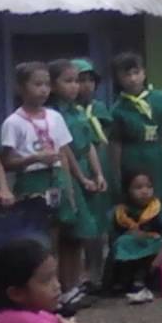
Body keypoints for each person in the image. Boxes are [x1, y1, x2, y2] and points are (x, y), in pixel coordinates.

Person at [1, 63, 95, 298]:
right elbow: (7, 161)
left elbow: (63, 151)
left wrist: (73, 185)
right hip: (32, 180)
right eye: (37, 84)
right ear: (21, 88)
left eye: (46, 85)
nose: (43, 90)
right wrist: (33, 158)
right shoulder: (13, 122)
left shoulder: (55, 117)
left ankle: (69, 289)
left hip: (58, 178)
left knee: (69, 234)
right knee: (43, 239)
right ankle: (43, 292)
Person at [45, 60, 105, 291]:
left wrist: (98, 173)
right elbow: (65, 149)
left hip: (86, 170)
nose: (75, 87)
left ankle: (74, 285)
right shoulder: (53, 114)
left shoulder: (78, 111)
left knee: (81, 234)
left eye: (77, 81)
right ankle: (59, 287)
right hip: (67, 172)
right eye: (68, 81)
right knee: (64, 235)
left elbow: (88, 144)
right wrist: (81, 178)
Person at [109, 52, 162, 208]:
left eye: (136, 73)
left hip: (159, 155)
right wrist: (116, 174)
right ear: (118, 78)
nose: (133, 79)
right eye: (127, 74)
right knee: (139, 200)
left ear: (144, 73)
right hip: (133, 158)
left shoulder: (160, 98)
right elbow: (116, 145)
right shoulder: (117, 109)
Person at [72, 59, 115, 287]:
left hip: (100, 165)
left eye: (90, 80)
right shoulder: (67, 112)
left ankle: (97, 274)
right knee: (81, 224)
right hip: (79, 167)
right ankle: (79, 276)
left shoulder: (99, 108)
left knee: (99, 223)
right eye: (80, 80)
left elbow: (105, 139)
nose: (86, 85)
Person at [110, 172, 162, 304]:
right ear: (128, 190)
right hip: (131, 247)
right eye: (138, 188)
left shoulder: (157, 208)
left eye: (148, 187)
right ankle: (124, 281)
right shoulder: (121, 212)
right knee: (123, 242)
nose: (145, 191)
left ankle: (141, 280)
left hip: (154, 246)